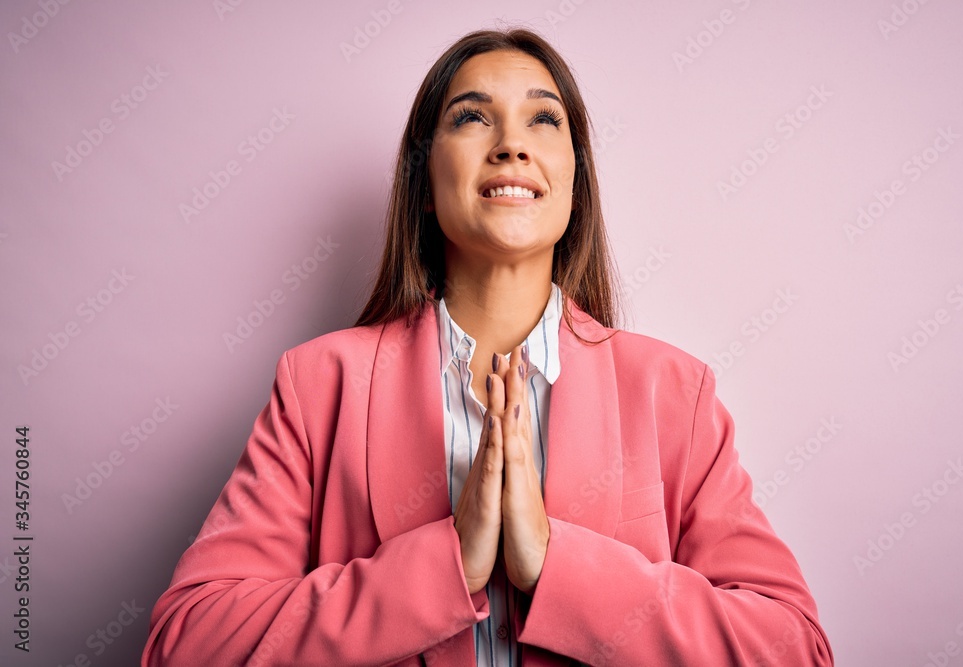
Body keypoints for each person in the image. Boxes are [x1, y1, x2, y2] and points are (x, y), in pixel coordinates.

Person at [142, 27, 834, 666]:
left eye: (543, 117)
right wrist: (445, 565)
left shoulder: (674, 392)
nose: (510, 143)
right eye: (472, 117)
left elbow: (795, 648)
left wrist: (556, 565)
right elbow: (187, 641)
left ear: (574, 181)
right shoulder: (320, 384)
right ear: (424, 185)